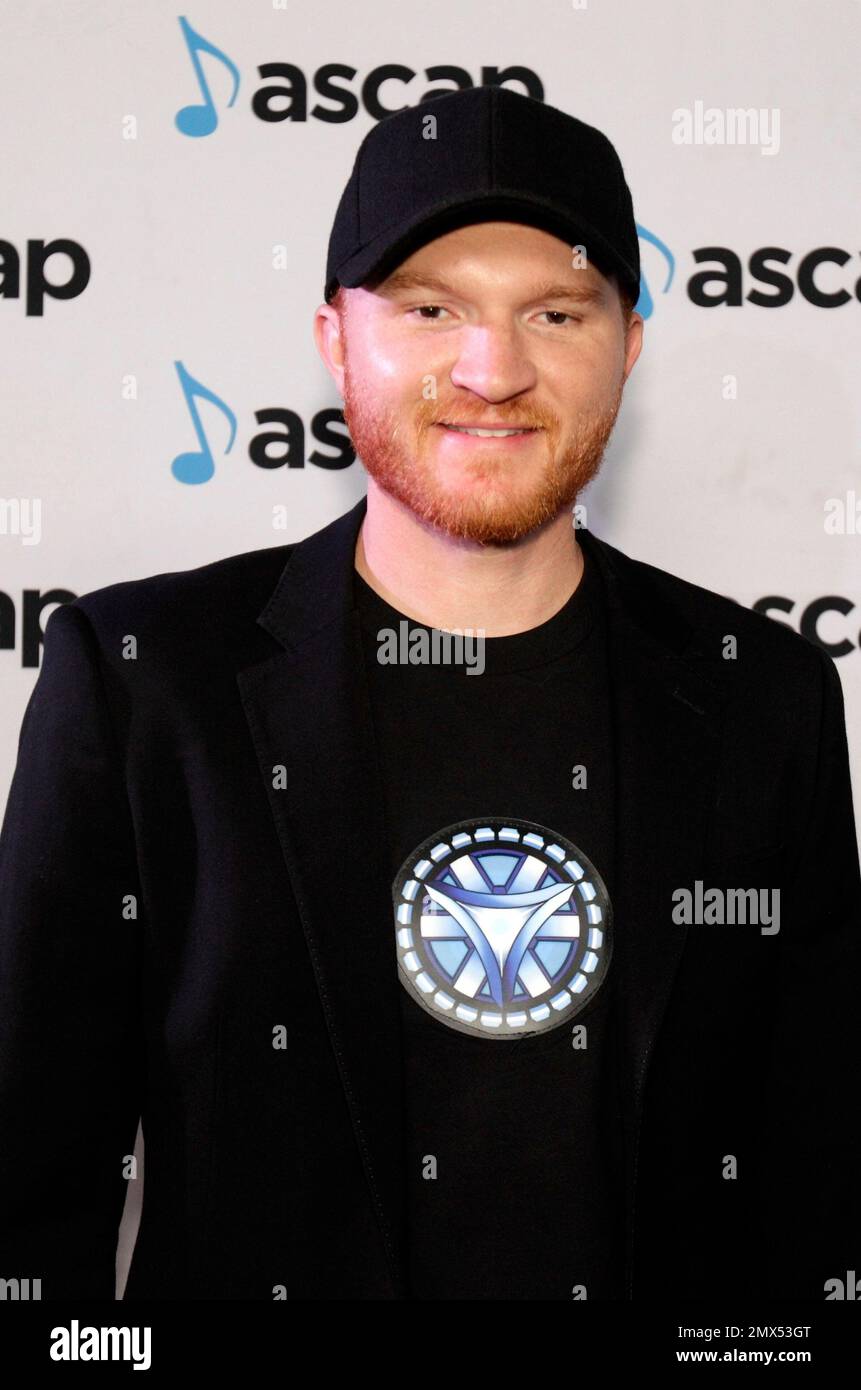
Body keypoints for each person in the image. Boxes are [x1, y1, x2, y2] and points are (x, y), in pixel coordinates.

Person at [0, 86, 857, 1302]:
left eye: (556, 311)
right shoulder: (142, 684)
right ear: (334, 340)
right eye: (429, 307)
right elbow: (32, 1185)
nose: (492, 368)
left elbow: (813, 1175)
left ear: (632, 344)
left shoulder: (765, 697)